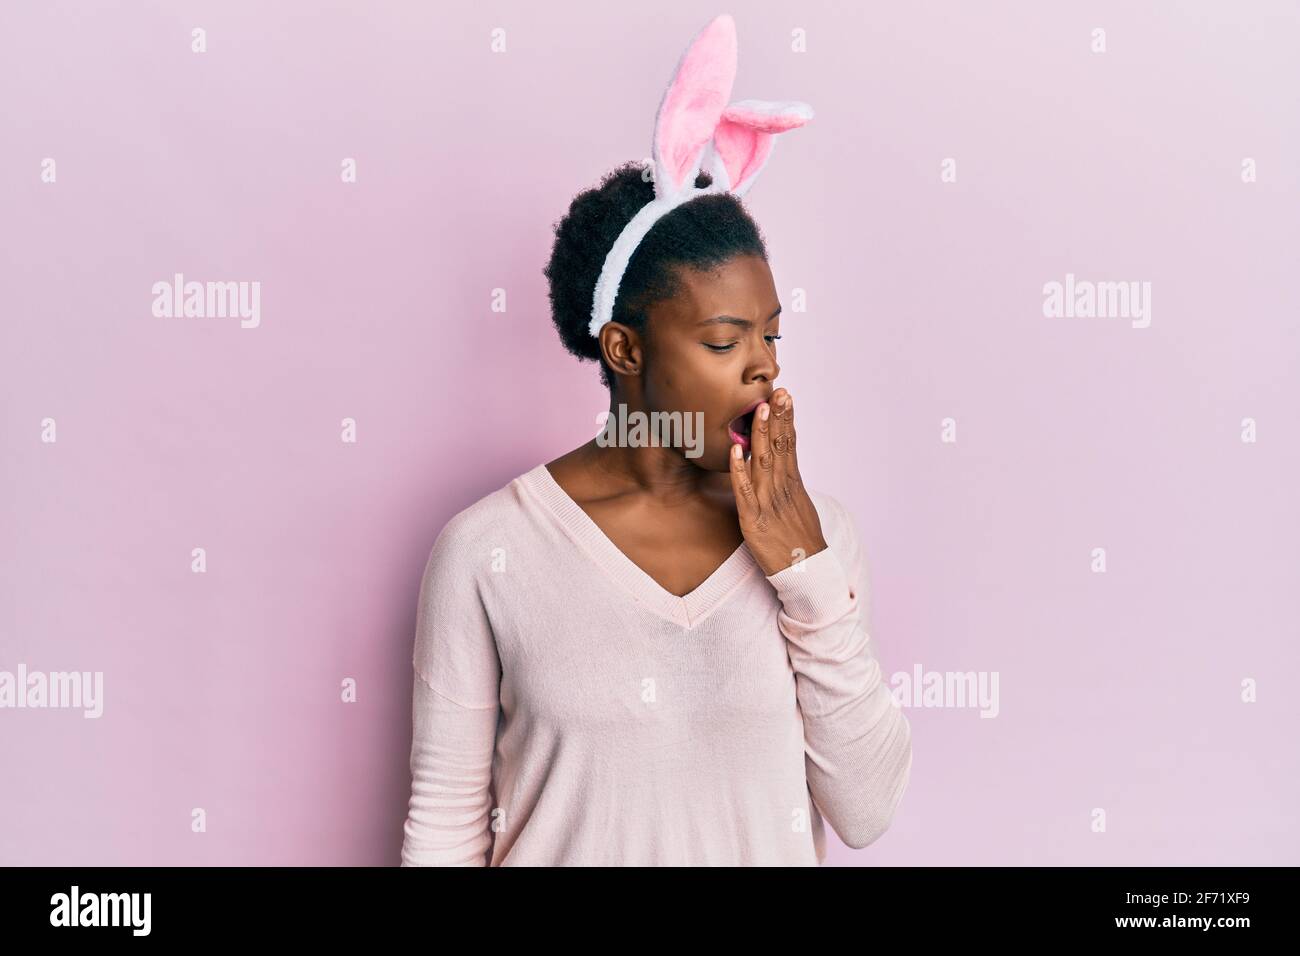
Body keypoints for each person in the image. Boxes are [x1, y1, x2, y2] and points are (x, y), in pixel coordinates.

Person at [399, 15, 911, 866]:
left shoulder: (822, 543)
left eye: (770, 337)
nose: (761, 371)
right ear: (626, 350)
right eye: (722, 341)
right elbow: (445, 828)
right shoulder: (489, 550)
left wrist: (805, 573)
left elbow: (865, 811)